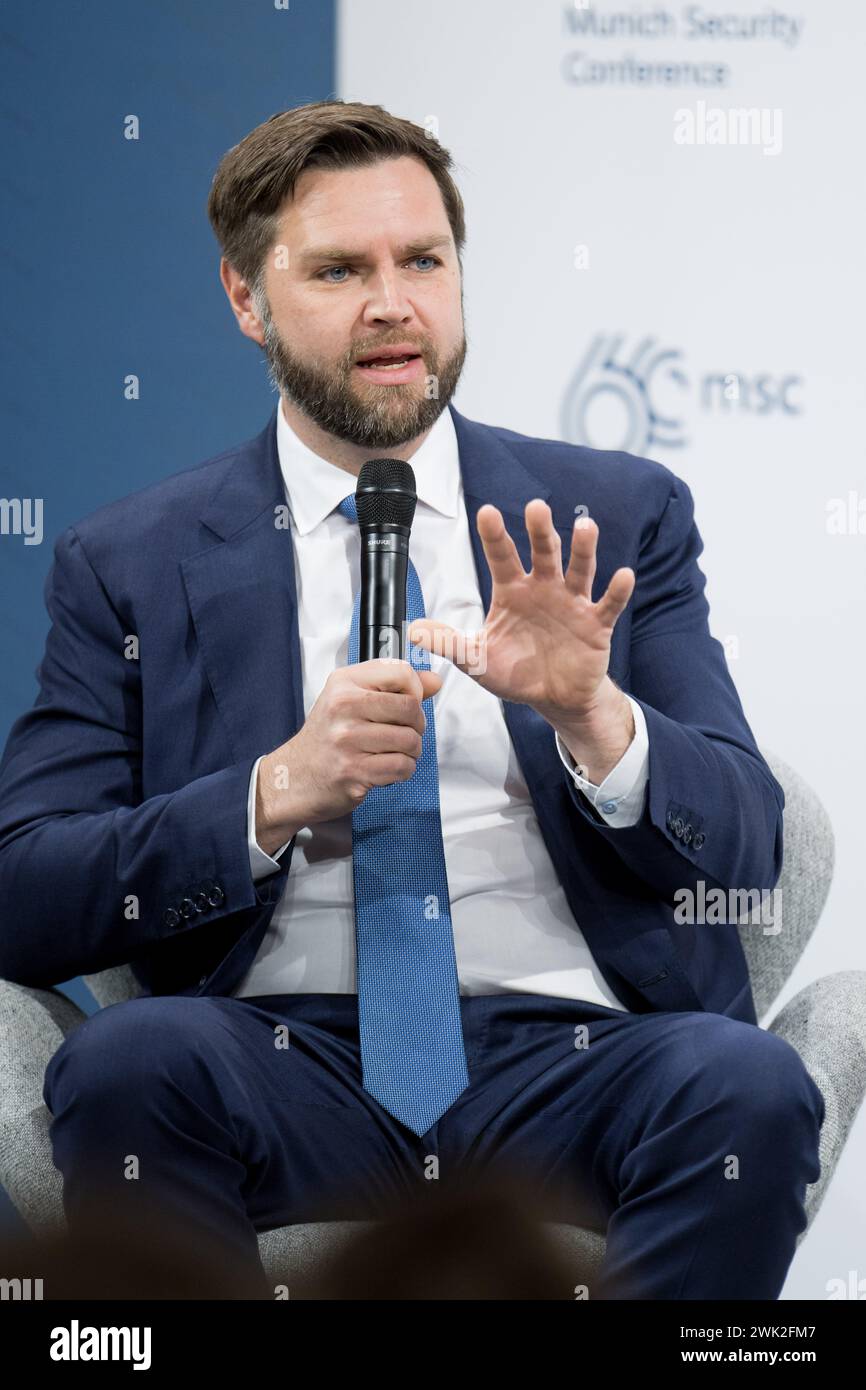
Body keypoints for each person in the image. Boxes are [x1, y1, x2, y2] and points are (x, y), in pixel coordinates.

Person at [0, 100, 823, 1301]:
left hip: (571, 1061)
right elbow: (25, 891)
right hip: (277, 1060)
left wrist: (596, 719)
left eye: (422, 261)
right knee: (132, 1064)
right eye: (338, 269)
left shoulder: (613, 514)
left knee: (742, 1085)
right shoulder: (129, 560)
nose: (393, 303)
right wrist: (273, 792)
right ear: (246, 299)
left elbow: (747, 841)